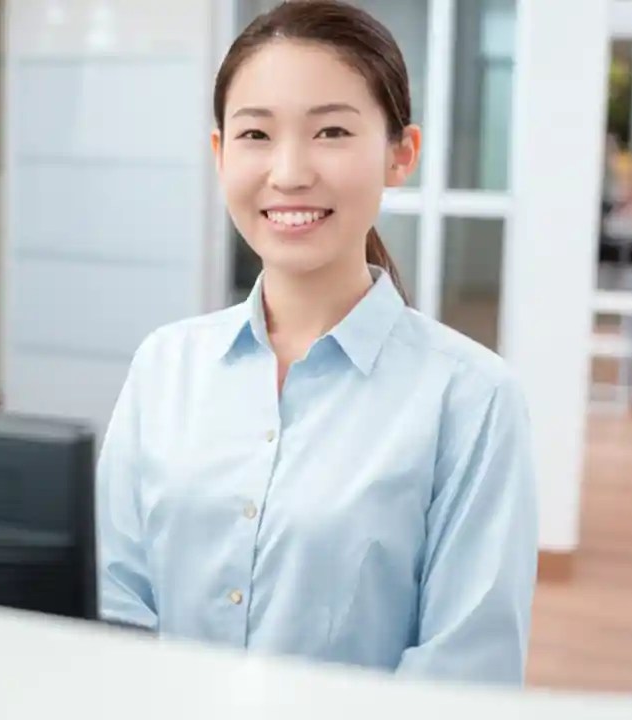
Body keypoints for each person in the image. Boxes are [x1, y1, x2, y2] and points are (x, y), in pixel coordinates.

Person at [95, 0, 538, 686]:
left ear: (400, 154)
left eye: (331, 131)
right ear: (220, 155)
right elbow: (112, 608)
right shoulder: (165, 365)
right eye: (255, 136)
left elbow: (465, 673)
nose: (290, 172)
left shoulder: (472, 399)